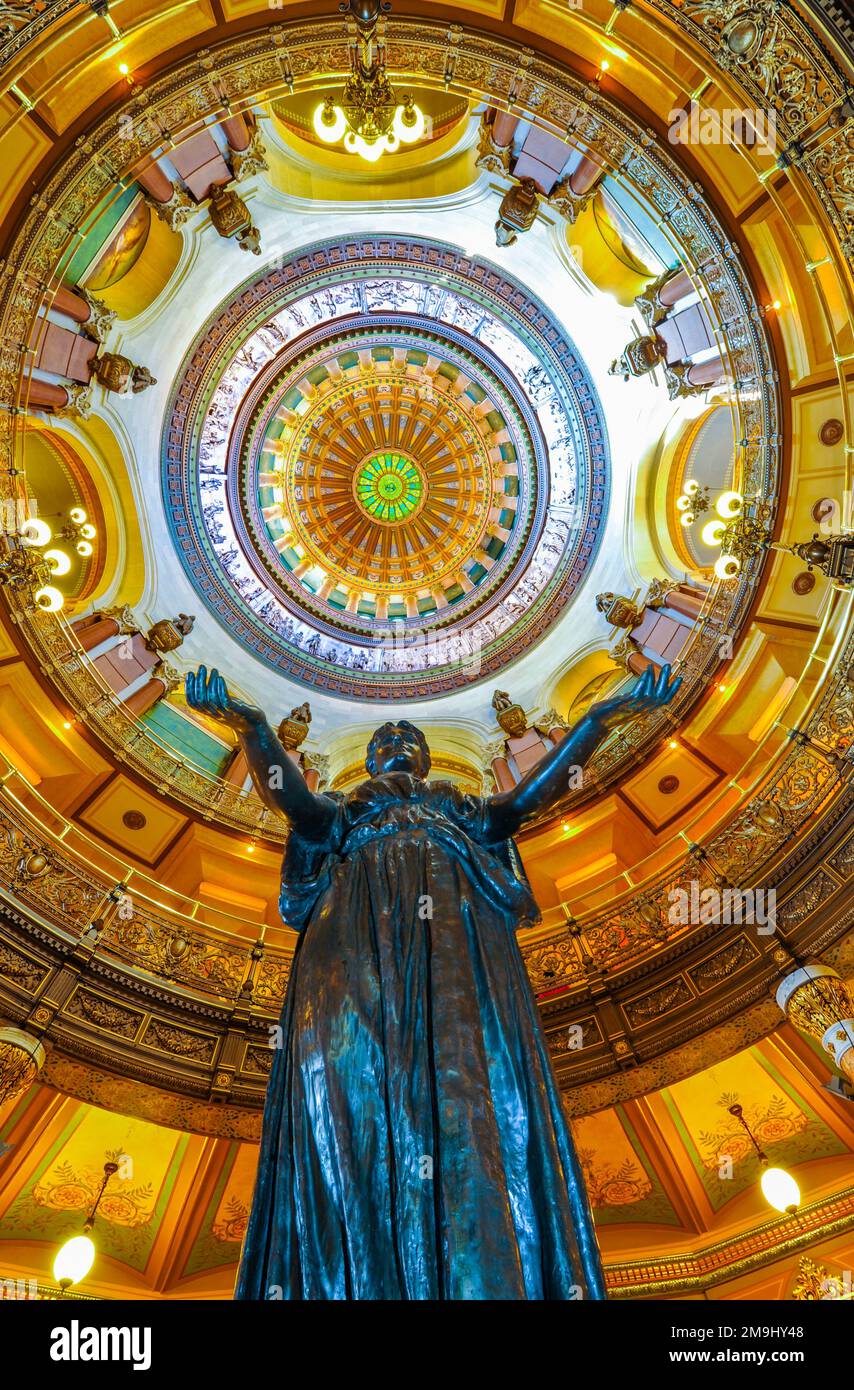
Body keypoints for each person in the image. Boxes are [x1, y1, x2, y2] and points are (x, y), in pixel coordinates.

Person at [185, 661, 681, 1300]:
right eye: (383, 739)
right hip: (348, 943)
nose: (396, 738)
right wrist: (252, 727)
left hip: (455, 940)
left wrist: (599, 718)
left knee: (470, 1086)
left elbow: (528, 799)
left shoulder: (458, 807)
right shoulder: (344, 812)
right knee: (344, 1092)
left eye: (409, 740)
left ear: (426, 762)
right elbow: (298, 806)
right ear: (365, 763)